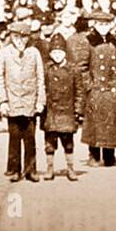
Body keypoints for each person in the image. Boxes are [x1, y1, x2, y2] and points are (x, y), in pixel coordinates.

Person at [0, 18, 45, 182]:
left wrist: (40, 101)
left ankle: (30, 170)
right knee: (14, 136)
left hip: (30, 101)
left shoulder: (34, 53)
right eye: (16, 37)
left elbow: (40, 79)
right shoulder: (4, 53)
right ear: (11, 37)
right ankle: (14, 169)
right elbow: (0, 79)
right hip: (12, 101)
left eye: (24, 37)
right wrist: (2, 101)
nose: (20, 41)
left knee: (30, 137)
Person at [81, 10, 116, 166]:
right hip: (96, 89)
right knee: (94, 124)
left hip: (111, 89)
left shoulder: (115, 41)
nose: (103, 27)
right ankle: (93, 154)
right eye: (100, 24)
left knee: (111, 123)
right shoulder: (88, 41)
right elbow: (83, 67)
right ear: (95, 24)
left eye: (106, 24)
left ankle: (109, 155)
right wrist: (89, 85)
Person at [41, 35, 84, 181]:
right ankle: (50, 168)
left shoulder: (73, 69)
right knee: (49, 143)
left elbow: (79, 91)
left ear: (65, 53)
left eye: (60, 52)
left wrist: (78, 111)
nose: (57, 56)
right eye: (54, 53)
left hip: (67, 112)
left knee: (68, 143)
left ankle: (70, 168)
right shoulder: (46, 69)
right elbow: (41, 88)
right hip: (50, 112)